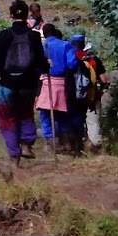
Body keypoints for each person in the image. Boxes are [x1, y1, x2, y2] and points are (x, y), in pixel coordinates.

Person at [0, 0, 49, 164]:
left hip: (7, 84)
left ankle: (14, 156)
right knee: (25, 114)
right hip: (28, 85)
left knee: (7, 119)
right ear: (26, 15)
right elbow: (40, 62)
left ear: (10, 15)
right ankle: (26, 145)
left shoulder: (4, 35)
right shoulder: (34, 36)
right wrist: (46, 66)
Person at [34, 23, 80, 154]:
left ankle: (51, 144)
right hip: (62, 83)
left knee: (45, 114)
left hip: (45, 83)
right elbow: (72, 64)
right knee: (62, 114)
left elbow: (36, 66)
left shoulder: (42, 47)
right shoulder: (66, 45)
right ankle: (66, 143)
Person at [73, 34, 108, 148]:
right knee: (93, 119)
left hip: (74, 95)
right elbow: (103, 80)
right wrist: (102, 90)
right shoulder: (94, 59)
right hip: (91, 95)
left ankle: (77, 143)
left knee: (76, 118)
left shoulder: (71, 59)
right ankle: (95, 143)